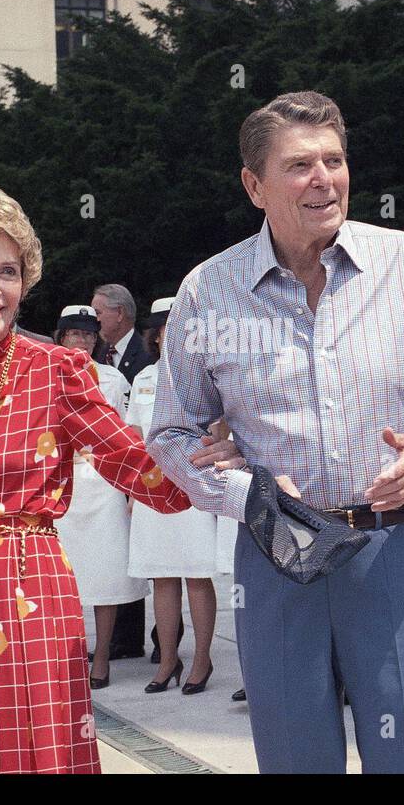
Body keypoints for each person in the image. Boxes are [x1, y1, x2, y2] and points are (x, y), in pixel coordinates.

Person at [148, 91, 404, 773]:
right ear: (255, 185)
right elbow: (171, 431)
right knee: (294, 759)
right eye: (300, 164)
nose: (324, 179)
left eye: (334, 160)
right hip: (277, 549)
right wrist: (243, 491)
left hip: (402, 543)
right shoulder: (207, 291)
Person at [0, 182, 245, 774]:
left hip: (33, 590)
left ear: (24, 282)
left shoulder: (60, 370)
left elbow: (137, 468)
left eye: (7, 271)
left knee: (43, 755)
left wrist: (218, 470)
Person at [126, 297, 222, 695]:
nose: (173, 337)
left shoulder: (207, 374)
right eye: (166, 330)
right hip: (152, 487)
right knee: (162, 577)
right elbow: (132, 437)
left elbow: (219, 434)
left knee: (197, 574)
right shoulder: (143, 378)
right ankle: (168, 659)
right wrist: (132, 489)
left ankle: (202, 658)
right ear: (157, 336)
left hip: (193, 482)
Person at [50, 305, 142, 690]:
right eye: (74, 334)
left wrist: (128, 488)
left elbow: (123, 434)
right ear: (61, 337)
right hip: (61, 486)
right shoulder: (44, 375)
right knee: (61, 581)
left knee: (105, 576)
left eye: (89, 334)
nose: (82, 340)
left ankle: (101, 657)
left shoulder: (113, 379)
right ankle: (65, 657)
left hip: (102, 486)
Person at [89, 282, 160, 663]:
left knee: (155, 556)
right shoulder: (96, 352)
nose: (95, 319)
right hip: (107, 471)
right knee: (120, 554)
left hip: (146, 464)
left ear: (121, 313)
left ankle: (164, 638)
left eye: (99, 311)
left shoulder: (147, 354)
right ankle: (125, 639)